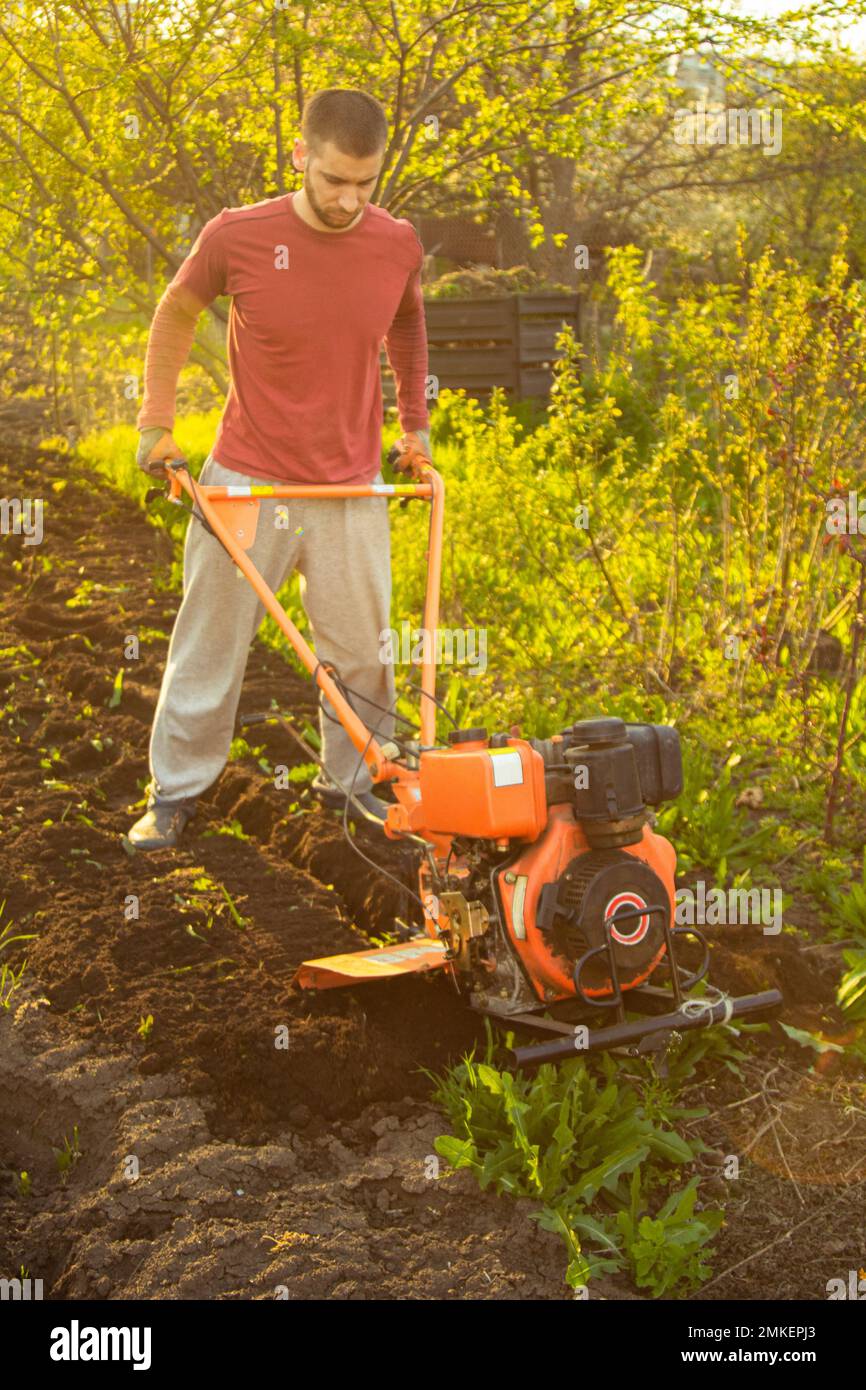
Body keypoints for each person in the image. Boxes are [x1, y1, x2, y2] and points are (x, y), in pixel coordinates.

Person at [128, 88, 431, 850]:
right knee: (210, 641)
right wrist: (156, 426)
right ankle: (176, 793)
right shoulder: (240, 235)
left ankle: (354, 787)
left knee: (362, 655)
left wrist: (414, 430)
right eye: (333, 180)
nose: (348, 200)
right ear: (300, 156)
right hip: (246, 478)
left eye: (365, 184)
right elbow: (176, 309)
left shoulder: (396, 243)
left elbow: (407, 323)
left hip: (351, 484)